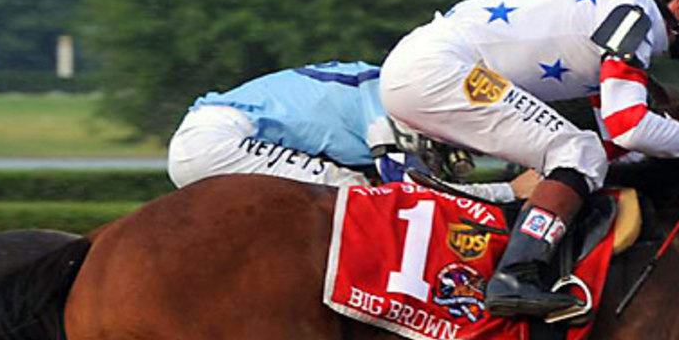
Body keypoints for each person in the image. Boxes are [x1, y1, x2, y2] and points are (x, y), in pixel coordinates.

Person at [380, 0, 679, 319]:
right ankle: (515, 276)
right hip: (436, 68)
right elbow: (630, 127)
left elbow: (618, 143)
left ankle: (500, 222)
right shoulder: (633, 18)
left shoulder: (620, 14)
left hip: (424, 67)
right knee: (577, 152)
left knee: (579, 154)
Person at [168, 59, 537, 200]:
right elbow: (411, 198)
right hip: (220, 140)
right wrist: (510, 190)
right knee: (362, 197)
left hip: (209, 136)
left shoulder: (390, 84)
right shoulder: (392, 106)